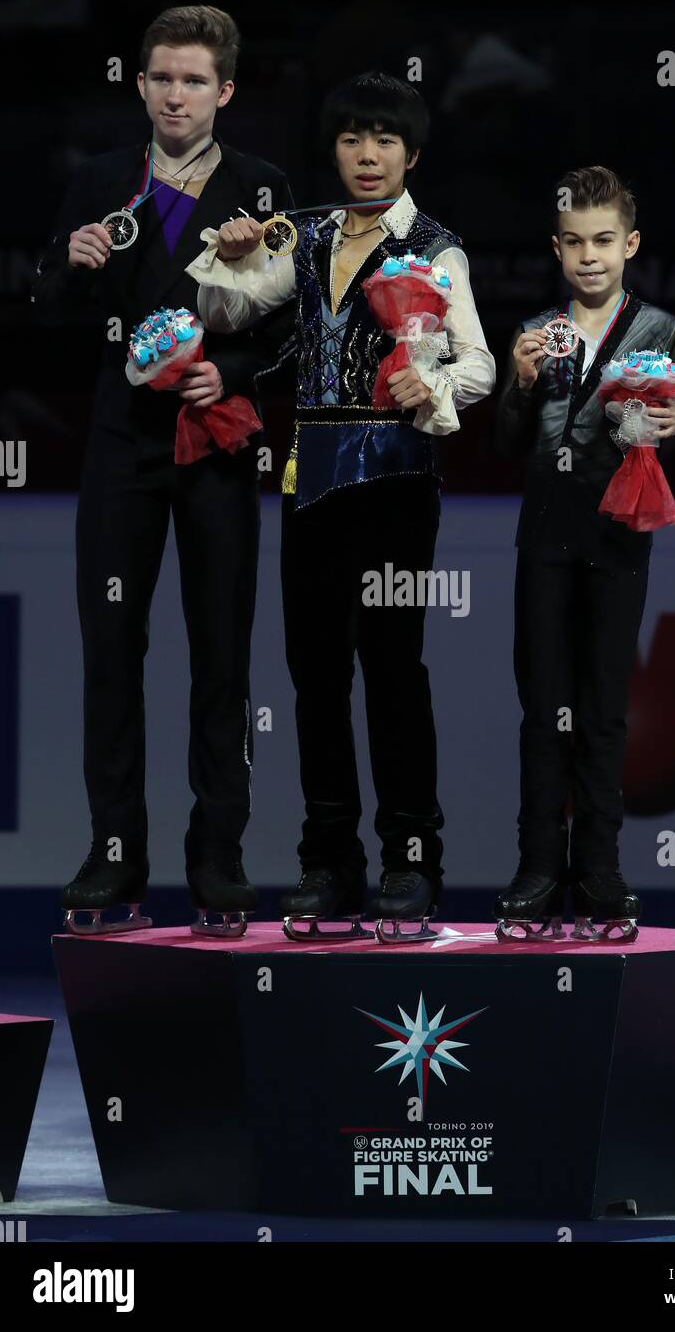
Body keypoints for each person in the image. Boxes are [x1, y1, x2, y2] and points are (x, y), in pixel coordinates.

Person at [187, 71, 495, 942]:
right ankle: (328, 861)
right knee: (314, 676)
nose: (368, 155)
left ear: (412, 154)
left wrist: (423, 382)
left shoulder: (436, 249)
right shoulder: (308, 232)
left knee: (393, 671)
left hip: (396, 479)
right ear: (334, 149)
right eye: (354, 139)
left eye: (386, 141)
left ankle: (410, 858)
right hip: (308, 476)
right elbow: (222, 306)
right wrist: (235, 253)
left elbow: (479, 368)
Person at [33, 5, 293, 937]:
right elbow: (41, 306)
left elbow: (292, 324)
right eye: (159, 78)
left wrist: (241, 371)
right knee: (113, 654)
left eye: (193, 80)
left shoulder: (262, 190)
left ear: (223, 91)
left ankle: (217, 858)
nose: (174, 95)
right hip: (119, 450)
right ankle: (114, 857)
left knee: (221, 658)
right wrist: (65, 265)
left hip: (217, 445)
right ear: (138, 83)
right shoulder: (101, 183)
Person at [494, 165, 675, 941]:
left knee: (605, 714)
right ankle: (536, 871)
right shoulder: (536, 334)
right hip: (544, 542)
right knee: (542, 711)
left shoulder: (662, 329)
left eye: (605, 241)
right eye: (576, 242)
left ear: (632, 244)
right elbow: (504, 442)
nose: (590, 256)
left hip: (619, 539)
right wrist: (517, 386)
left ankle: (602, 874)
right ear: (557, 248)